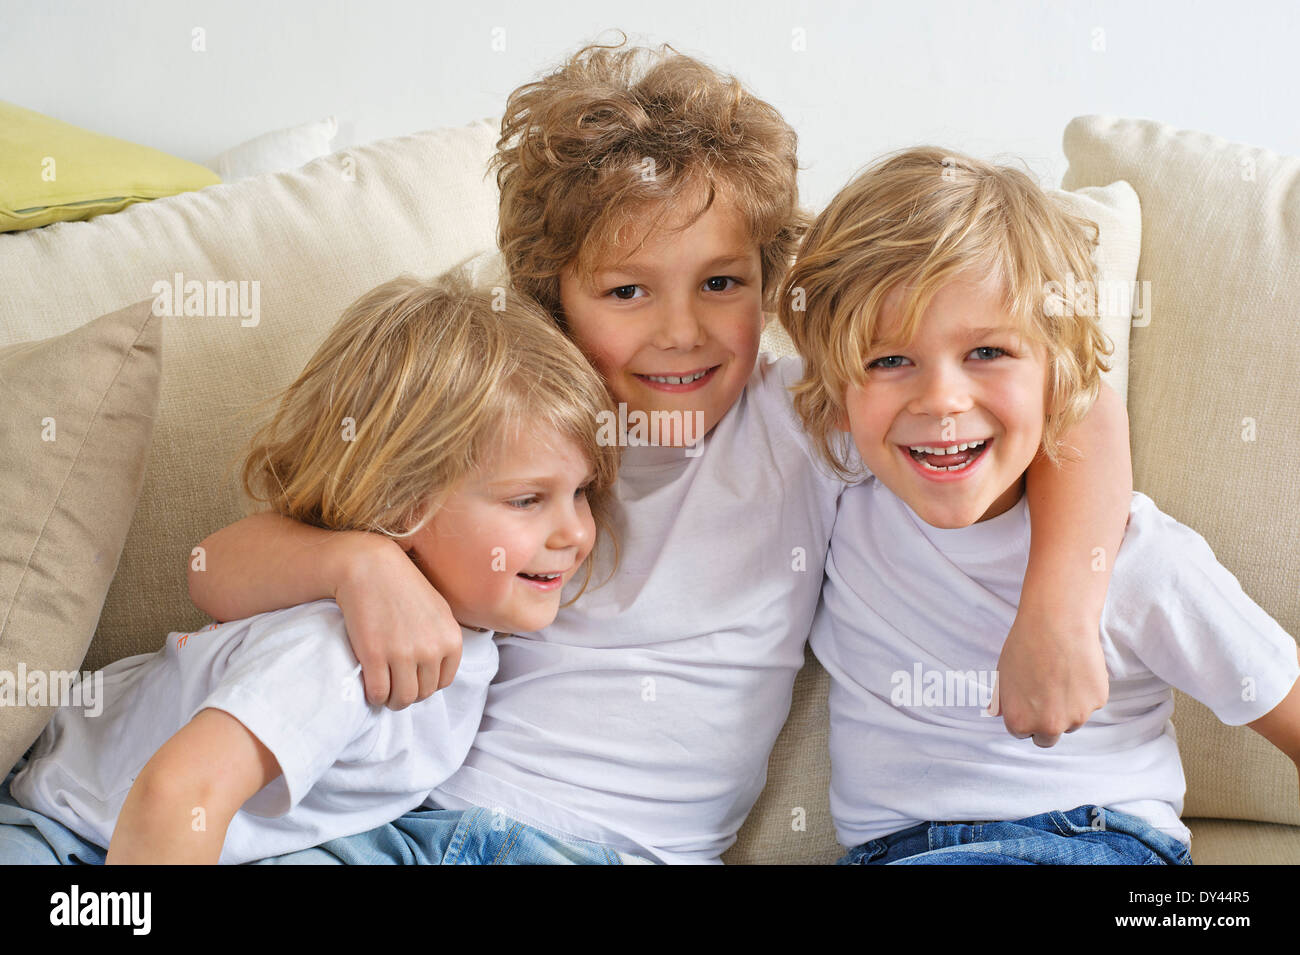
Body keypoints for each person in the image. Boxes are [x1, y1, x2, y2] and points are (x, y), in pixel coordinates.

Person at [188, 40, 1135, 865]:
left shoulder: (801, 421)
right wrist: (354, 565)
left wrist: (1059, 607)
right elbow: (213, 568)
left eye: (720, 281)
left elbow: (1075, 405)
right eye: (627, 292)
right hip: (395, 826)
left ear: (768, 285)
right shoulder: (489, 413)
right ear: (551, 295)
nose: (680, 333)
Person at [780, 146, 1300, 865]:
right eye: (888, 360)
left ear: (1058, 373)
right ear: (837, 396)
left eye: (988, 351)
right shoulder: (841, 499)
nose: (940, 400)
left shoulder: (1128, 554)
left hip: (1089, 840)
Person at [0, 273, 619, 864]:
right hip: (61, 833)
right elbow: (177, 795)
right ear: (402, 501)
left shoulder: (465, 629)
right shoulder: (333, 654)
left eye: (582, 492)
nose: (575, 532)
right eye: (527, 500)